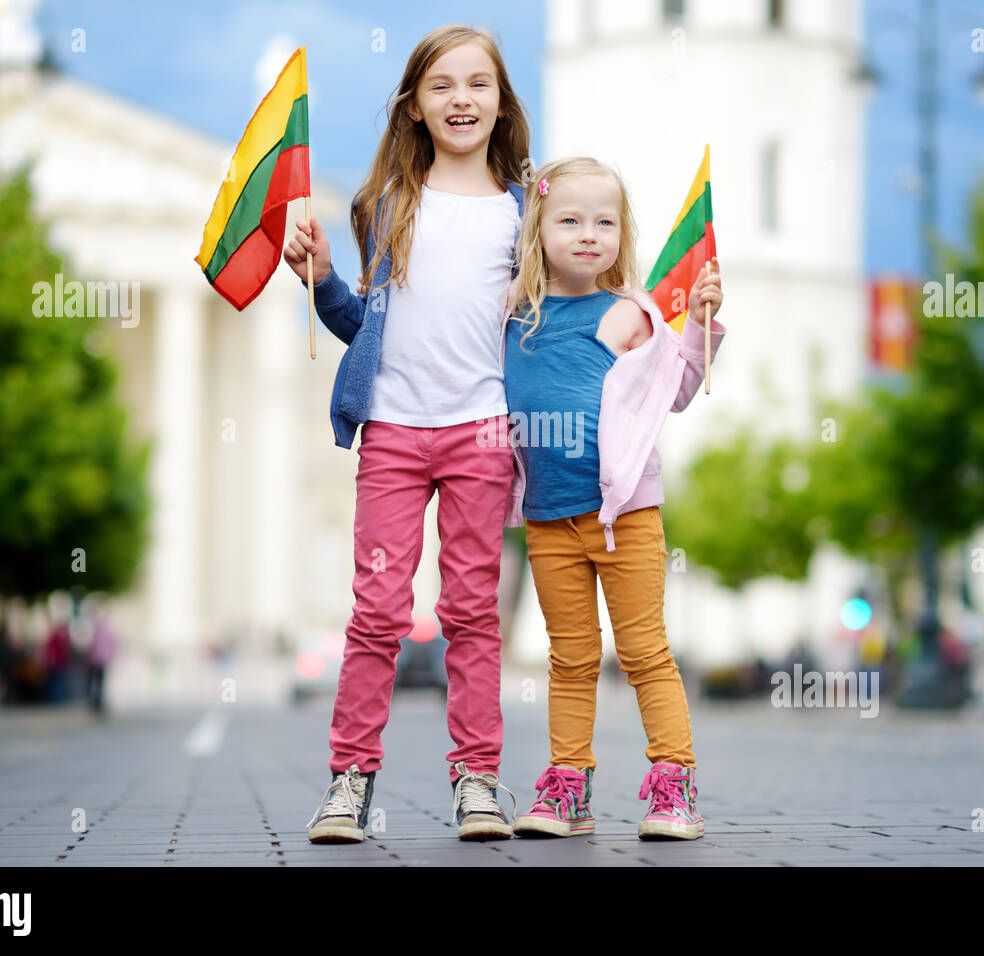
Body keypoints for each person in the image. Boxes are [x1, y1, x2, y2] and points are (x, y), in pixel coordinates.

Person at [282, 24, 532, 843]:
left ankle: (478, 781)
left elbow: (547, 318)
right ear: (416, 107)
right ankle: (349, 780)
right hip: (392, 429)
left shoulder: (522, 211)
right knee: (378, 613)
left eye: (478, 85)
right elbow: (366, 326)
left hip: (482, 434)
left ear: (500, 103)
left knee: (471, 612)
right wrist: (321, 281)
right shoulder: (386, 205)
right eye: (442, 87)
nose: (461, 99)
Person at [499, 157, 725, 840]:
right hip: (546, 520)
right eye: (569, 220)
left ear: (622, 235)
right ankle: (568, 787)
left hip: (625, 516)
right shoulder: (513, 315)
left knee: (644, 652)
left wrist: (703, 324)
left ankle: (673, 784)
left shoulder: (632, 314)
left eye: (604, 221)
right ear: (539, 230)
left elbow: (679, 390)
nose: (587, 234)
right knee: (569, 659)